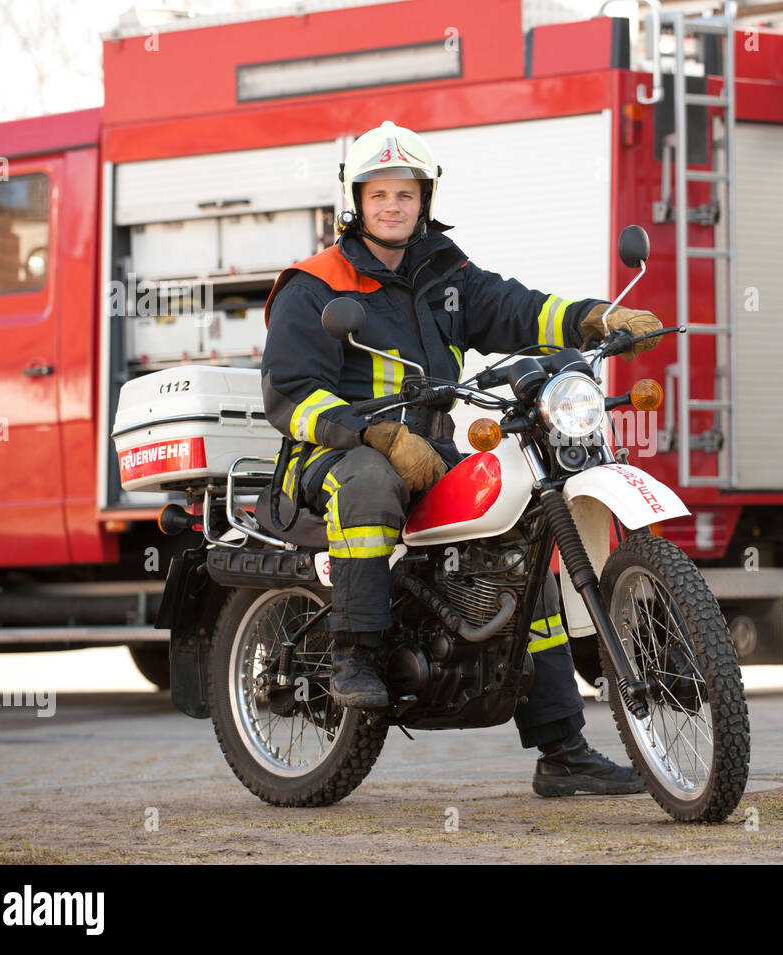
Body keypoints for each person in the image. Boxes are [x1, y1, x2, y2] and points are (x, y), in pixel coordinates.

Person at [261, 121, 661, 796]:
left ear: (425, 198)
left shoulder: (444, 272)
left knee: (522, 547)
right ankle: (354, 655)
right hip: (333, 453)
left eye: (406, 193)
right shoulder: (315, 284)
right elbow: (289, 394)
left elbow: (516, 308)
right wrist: (375, 435)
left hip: (433, 448)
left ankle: (562, 750)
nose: (393, 206)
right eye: (379, 193)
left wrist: (595, 317)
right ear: (356, 201)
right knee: (368, 484)